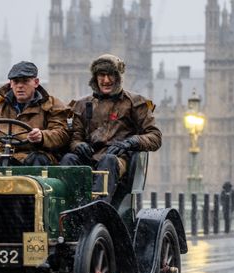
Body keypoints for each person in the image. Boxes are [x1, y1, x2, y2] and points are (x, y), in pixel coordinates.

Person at [60, 54, 162, 203]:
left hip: (119, 161)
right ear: (95, 78)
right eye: (102, 75)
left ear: (118, 77)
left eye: (111, 75)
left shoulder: (135, 103)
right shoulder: (82, 105)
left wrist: (131, 142)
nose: (106, 80)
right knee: (68, 159)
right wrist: (78, 145)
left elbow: (155, 136)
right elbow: (75, 137)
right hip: (89, 159)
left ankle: (97, 208)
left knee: (108, 160)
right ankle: (67, 205)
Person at [0, 61, 70, 170]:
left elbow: (62, 133)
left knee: (38, 160)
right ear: (11, 84)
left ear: (36, 82)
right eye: (15, 82)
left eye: (25, 81)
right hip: (0, 155)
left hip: (34, 155)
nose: (20, 86)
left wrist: (42, 136)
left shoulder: (52, 106)